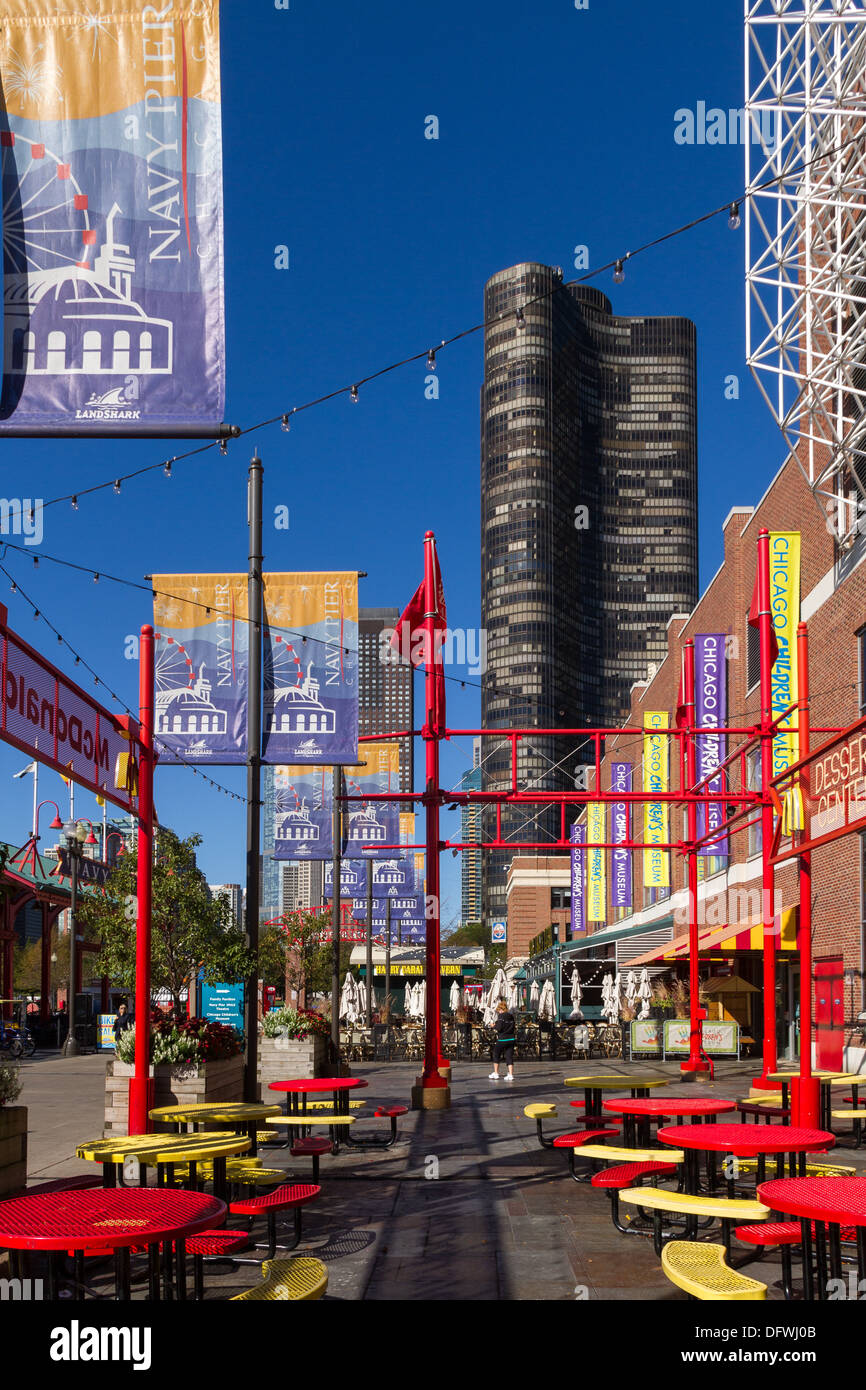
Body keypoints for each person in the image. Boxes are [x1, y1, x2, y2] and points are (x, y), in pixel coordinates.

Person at [489, 999, 516, 1082]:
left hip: (502, 1039)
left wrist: (493, 1026)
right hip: (511, 1039)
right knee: (509, 1056)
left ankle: (496, 1073)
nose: (498, 1012)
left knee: (496, 1054)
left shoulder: (501, 1016)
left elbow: (499, 1028)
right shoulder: (511, 1016)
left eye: (498, 1010)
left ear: (501, 1009)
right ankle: (511, 1074)